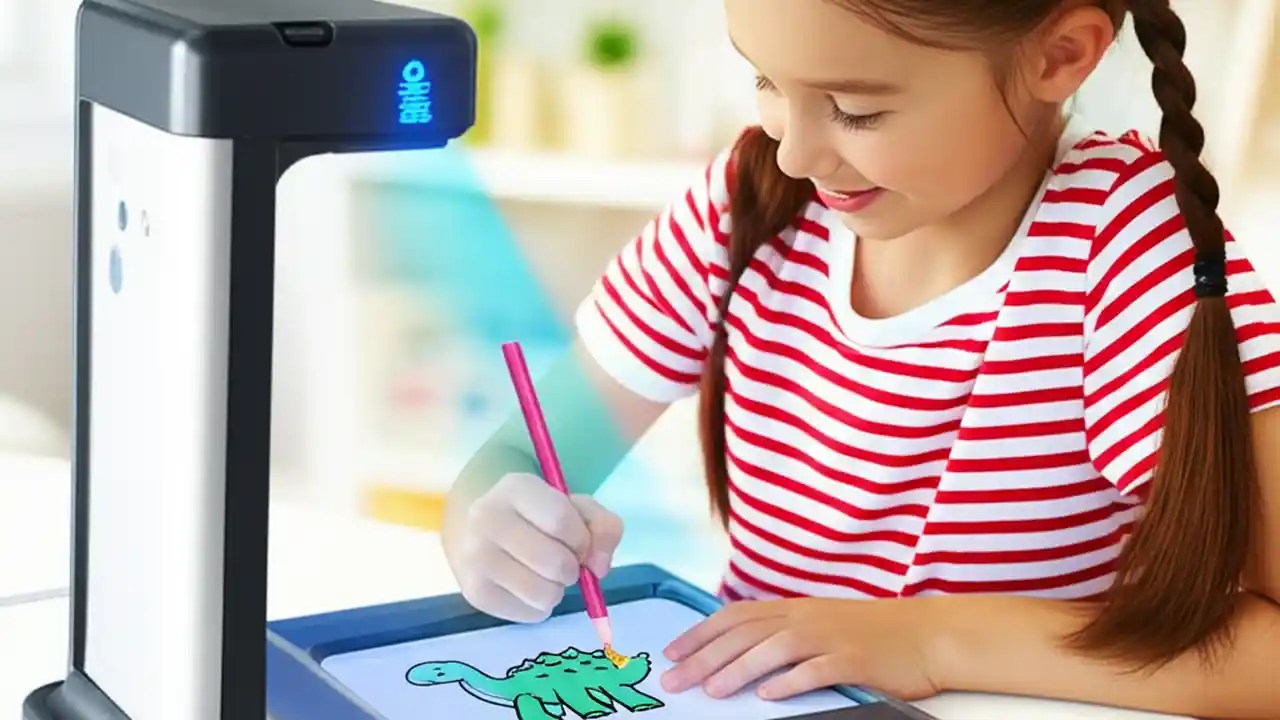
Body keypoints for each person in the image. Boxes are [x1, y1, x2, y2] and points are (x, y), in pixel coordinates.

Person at [440, 1, 1280, 716]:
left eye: (856, 109)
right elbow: (521, 460)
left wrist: (928, 639)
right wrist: (492, 526)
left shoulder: (1130, 254)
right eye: (766, 81)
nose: (798, 156)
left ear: (1060, 56)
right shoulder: (747, 202)